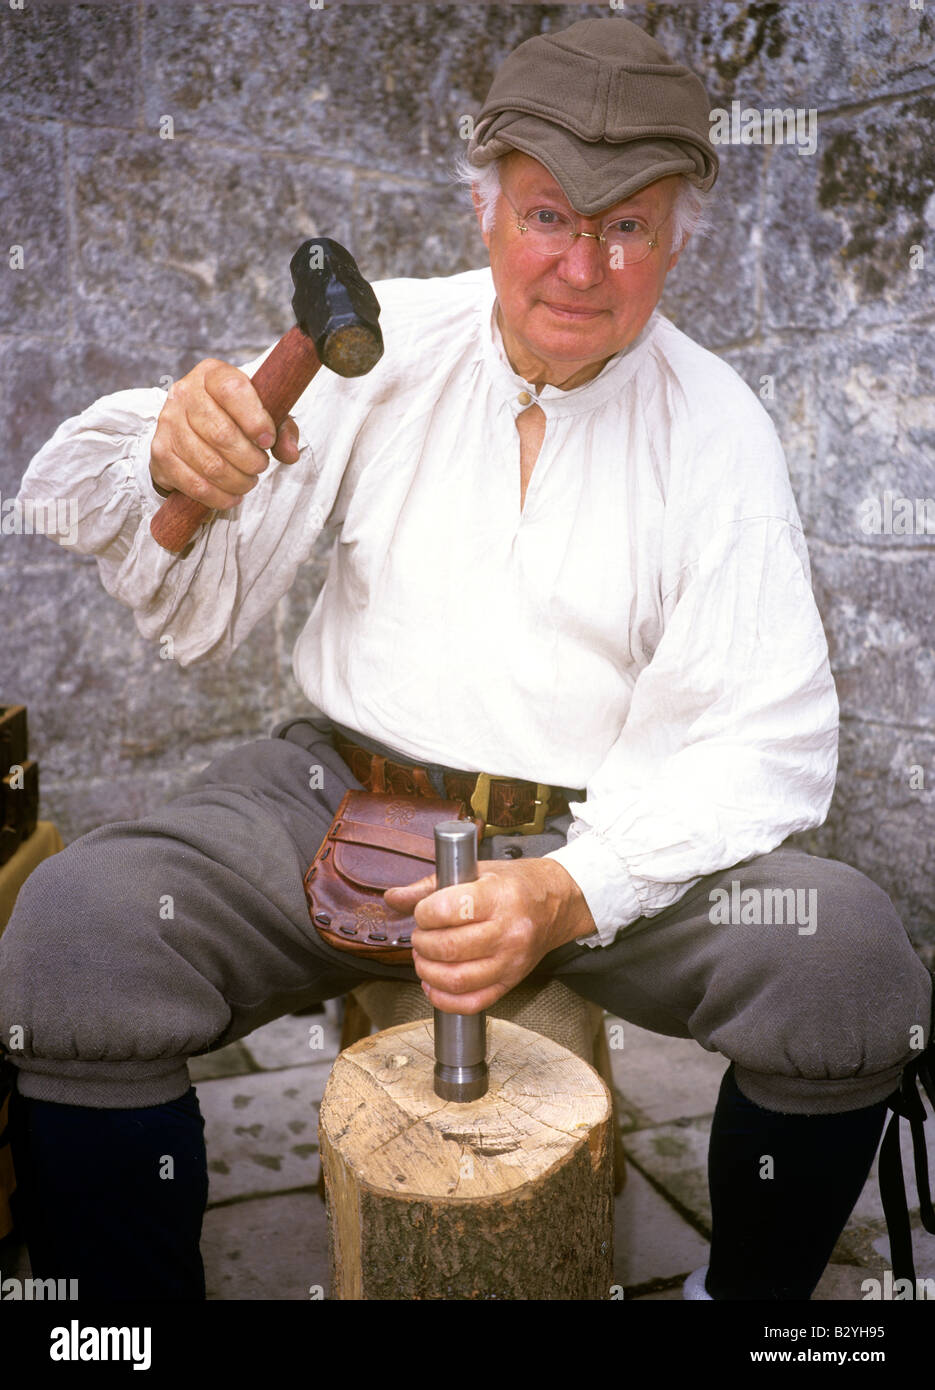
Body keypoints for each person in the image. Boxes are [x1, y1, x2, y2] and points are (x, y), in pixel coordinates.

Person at [0, 16, 930, 1302]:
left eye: (628, 228)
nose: (584, 267)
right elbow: (156, 562)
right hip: (335, 803)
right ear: (482, 210)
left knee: (848, 963)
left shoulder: (718, 428)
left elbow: (761, 739)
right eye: (551, 215)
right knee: (78, 930)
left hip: (595, 847)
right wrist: (170, 451)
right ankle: (127, 1333)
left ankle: (747, 1311)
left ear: (678, 238)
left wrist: (568, 890)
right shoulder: (378, 350)